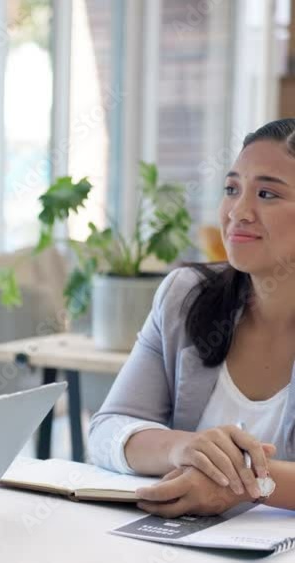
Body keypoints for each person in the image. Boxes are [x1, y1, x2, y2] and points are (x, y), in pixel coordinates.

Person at [89, 118, 295, 517]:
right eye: (232, 189)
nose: (239, 212)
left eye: (267, 194)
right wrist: (183, 447)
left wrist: (241, 485)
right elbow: (108, 428)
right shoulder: (185, 295)